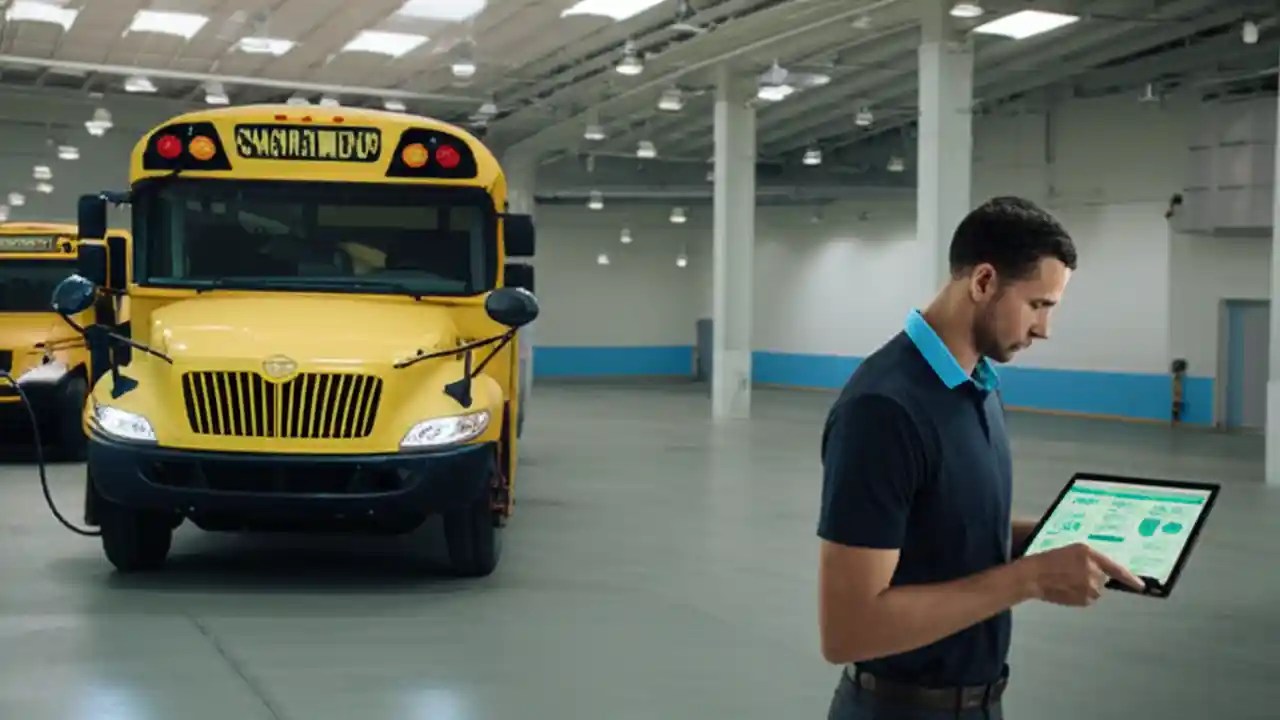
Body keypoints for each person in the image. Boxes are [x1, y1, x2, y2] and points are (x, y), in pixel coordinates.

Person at [816, 196, 1144, 720]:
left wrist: (1053, 539)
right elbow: (848, 629)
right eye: (1039, 305)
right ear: (984, 282)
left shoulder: (981, 387)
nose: (1045, 329)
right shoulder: (884, 409)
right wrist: (1032, 578)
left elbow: (949, 527)